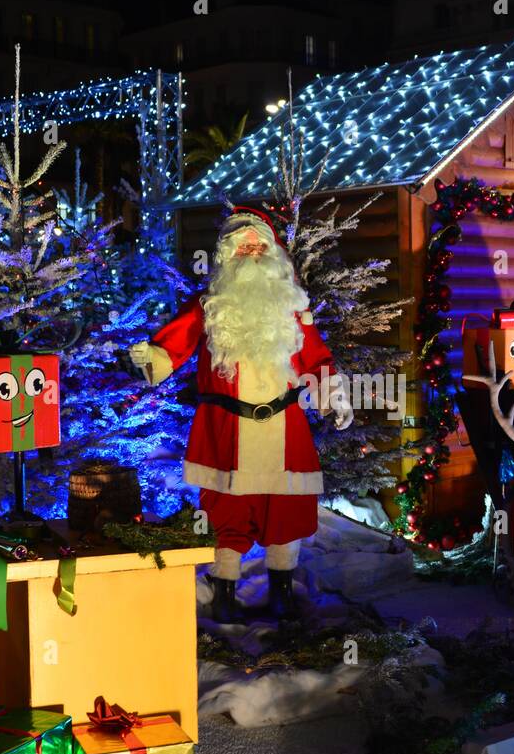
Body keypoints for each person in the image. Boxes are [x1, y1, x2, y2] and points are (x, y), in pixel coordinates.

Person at [127, 207, 352, 621]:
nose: (250, 251)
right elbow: (173, 346)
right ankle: (224, 591)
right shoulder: (209, 306)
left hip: (284, 427)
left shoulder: (292, 310)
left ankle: (281, 590)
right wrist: (152, 355)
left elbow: (316, 360)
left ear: (272, 251)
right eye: (241, 244)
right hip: (225, 428)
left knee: (284, 508)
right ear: (227, 253)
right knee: (225, 510)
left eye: (257, 244)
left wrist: (332, 396)